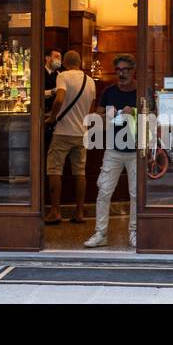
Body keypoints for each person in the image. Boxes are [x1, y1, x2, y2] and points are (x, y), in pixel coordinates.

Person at [85, 53, 138, 249]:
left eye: (126, 70)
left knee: (136, 194)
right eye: (119, 70)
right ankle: (101, 234)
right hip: (113, 149)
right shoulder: (109, 91)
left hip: (136, 150)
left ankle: (135, 232)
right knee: (104, 191)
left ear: (133, 71)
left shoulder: (142, 91)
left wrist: (133, 112)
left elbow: (153, 115)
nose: (122, 73)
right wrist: (114, 112)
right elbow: (97, 114)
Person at [43, 50, 95, 225]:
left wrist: (51, 117)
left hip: (62, 132)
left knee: (54, 170)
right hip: (81, 133)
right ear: (79, 62)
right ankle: (79, 212)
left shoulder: (63, 76)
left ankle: (55, 211)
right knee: (80, 172)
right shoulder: (90, 81)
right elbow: (91, 109)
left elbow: (59, 99)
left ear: (64, 62)